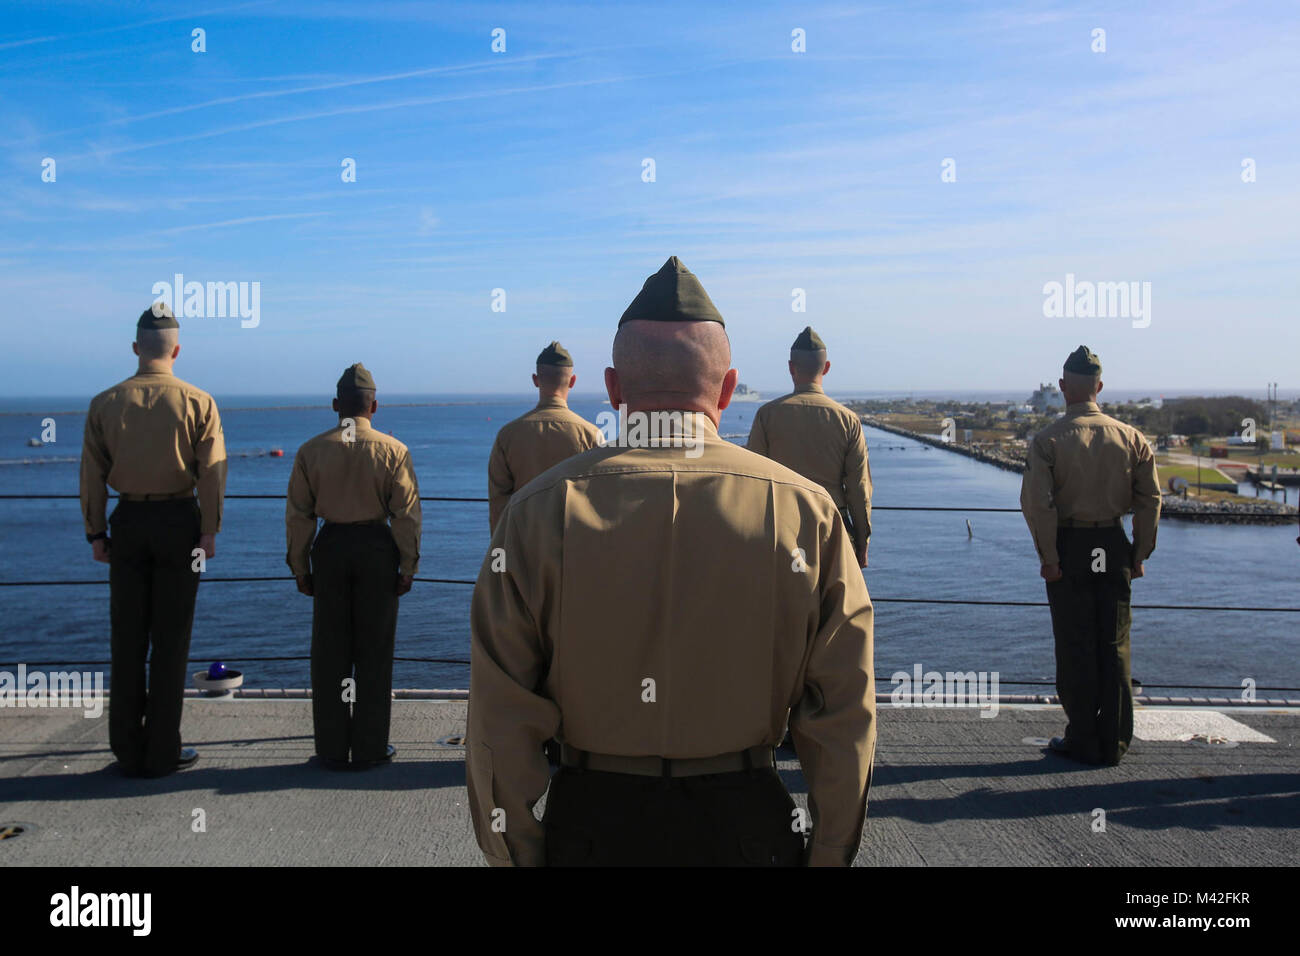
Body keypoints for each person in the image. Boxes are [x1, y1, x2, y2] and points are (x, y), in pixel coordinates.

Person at [467, 256, 876, 866]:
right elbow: (844, 717)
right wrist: (829, 853)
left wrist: (521, 856)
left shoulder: (534, 513)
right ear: (729, 390)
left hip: (591, 822)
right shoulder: (807, 513)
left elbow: (499, 722)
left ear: (612, 388)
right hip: (748, 824)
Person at [79, 303, 226, 777]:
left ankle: (126, 748)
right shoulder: (199, 402)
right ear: (177, 350)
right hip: (180, 523)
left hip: (128, 523)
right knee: (171, 640)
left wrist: (96, 532)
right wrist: (209, 530)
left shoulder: (105, 403)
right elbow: (212, 476)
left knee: (126, 638)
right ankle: (162, 750)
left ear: (137, 348)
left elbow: (92, 477)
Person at [1020, 345, 1161, 766]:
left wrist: (1049, 556)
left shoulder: (1048, 440)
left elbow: (1037, 505)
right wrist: (1140, 552)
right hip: (1113, 545)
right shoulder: (1131, 437)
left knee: (1075, 644)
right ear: (1099, 387)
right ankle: (1115, 740)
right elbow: (1150, 500)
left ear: (1063, 388)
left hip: (1071, 546)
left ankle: (1081, 736)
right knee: (1115, 644)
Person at [286, 363, 422, 770]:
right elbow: (406, 515)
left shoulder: (312, 450)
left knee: (329, 653)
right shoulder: (393, 451)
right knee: (375, 652)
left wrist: (299, 566)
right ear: (374, 406)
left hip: (330, 549)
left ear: (334, 405)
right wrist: (408, 564)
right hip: (377, 549)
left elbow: (299, 516)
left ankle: (330, 748)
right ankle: (370, 748)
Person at [747, 326, 872, 567]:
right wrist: (862, 543)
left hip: (780, 531)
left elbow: (753, 481)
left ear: (791, 367)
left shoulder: (767, 416)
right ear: (826, 368)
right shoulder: (848, 419)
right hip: (833, 530)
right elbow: (859, 489)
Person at [487, 341, 603, 531]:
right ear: (572, 381)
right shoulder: (591, 434)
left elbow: (498, 504)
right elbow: (597, 500)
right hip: (571, 546)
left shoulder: (507, 435)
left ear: (535, 379)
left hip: (522, 544)